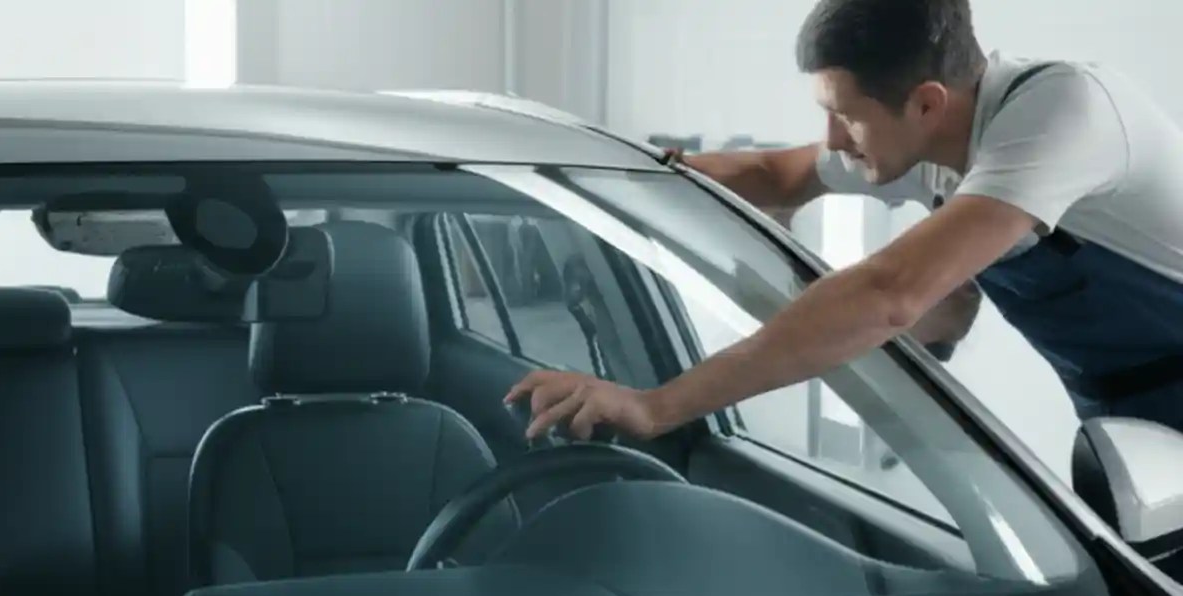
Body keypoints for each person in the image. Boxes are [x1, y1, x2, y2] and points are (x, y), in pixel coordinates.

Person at [506, 0, 1183, 443]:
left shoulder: (1064, 117)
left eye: (846, 114)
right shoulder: (936, 142)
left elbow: (890, 292)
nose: (832, 139)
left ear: (925, 103)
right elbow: (778, 176)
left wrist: (655, 406)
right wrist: (634, 170)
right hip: (1123, 423)